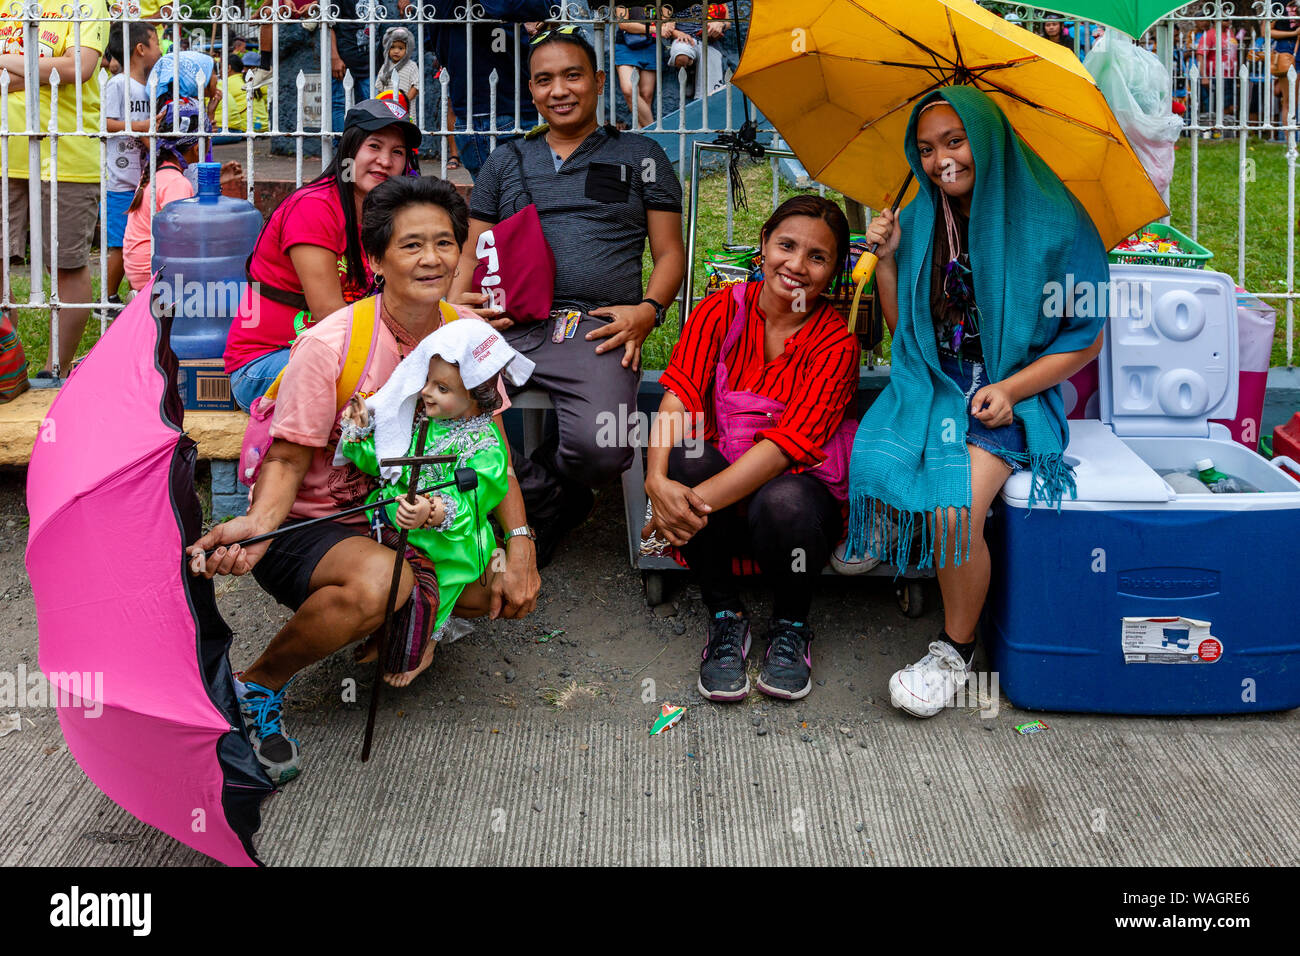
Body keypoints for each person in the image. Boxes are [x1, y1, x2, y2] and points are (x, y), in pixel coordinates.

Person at [189, 175, 541, 784]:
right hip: (313, 524)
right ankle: (255, 685)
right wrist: (260, 524)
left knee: (497, 593)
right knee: (385, 582)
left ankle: (397, 620)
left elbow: (494, 448)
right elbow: (290, 457)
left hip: (415, 521)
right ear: (375, 260)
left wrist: (522, 542)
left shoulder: (468, 338)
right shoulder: (330, 345)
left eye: (443, 243)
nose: (431, 259)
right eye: (410, 246)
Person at [847, 88, 1107, 718]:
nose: (940, 161)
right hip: (937, 379)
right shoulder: (921, 217)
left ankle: (954, 651)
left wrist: (1012, 390)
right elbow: (906, 333)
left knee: (953, 508)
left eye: (955, 142)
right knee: (876, 457)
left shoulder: (1055, 220)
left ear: (987, 141)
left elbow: (1085, 336)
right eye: (927, 148)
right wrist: (887, 262)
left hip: (1018, 393)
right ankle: (893, 523)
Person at [450, 28, 686, 567]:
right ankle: (544, 497)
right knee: (434, 409)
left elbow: (670, 253)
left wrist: (649, 312)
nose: (559, 90)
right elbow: (469, 253)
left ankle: (556, 488)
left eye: (572, 75)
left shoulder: (640, 154)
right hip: (508, 326)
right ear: (531, 90)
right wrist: (459, 310)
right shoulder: (507, 161)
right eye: (544, 79)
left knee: (603, 450)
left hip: (594, 328)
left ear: (599, 82)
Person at [647, 196, 859, 702]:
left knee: (784, 498)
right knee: (686, 459)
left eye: (818, 257)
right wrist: (657, 483)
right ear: (763, 245)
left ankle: (791, 625)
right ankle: (725, 614)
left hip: (793, 516)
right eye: (787, 246)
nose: (797, 266)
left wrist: (684, 505)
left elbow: (785, 448)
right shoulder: (720, 309)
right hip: (717, 519)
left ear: (832, 272)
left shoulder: (836, 346)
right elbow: (677, 395)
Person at [338, 319, 535, 683]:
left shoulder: (485, 447)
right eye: (428, 381)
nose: (426, 392)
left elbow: (481, 496)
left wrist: (434, 511)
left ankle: (426, 640)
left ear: (476, 397)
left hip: (448, 541)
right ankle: (387, 631)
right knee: (387, 579)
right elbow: (383, 463)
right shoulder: (414, 420)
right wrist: (361, 429)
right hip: (395, 525)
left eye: (441, 388)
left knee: (435, 589)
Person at [223, 99, 422, 412]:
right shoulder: (314, 207)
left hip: (336, 353)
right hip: (265, 363)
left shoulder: (386, 215)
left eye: (397, 152)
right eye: (374, 146)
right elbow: (330, 314)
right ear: (348, 151)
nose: (385, 161)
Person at [0, 0, 109, 378]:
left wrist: (9, 63)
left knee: (66, 263)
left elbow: (77, 68)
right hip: (5, 148)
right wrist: (42, 71)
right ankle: (8, 362)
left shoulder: (88, 5)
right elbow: (57, 70)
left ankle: (54, 369)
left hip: (68, 153)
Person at [103, 21, 165, 304]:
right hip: (121, 181)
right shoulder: (118, 84)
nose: (161, 49)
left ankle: (137, 293)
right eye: (157, 42)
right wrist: (141, 127)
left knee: (141, 240)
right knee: (118, 242)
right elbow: (104, 123)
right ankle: (108, 299)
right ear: (141, 48)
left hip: (145, 180)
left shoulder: (152, 87)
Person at [121, 100, 201, 293]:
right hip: (154, 275)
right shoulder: (177, 183)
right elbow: (180, 238)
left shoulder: (157, 174)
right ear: (197, 148)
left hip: (138, 270)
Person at [663, 2, 729, 101]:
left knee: (711, 92)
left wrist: (720, 24)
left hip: (709, 42)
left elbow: (728, 22)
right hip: (684, 38)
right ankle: (688, 72)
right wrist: (678, 33)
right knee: (681, 56)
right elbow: (664, 25)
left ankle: (699, 83)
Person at [615, 5, 663, 128]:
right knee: (629, 89)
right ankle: (654, 133)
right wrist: (653, 29)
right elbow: (623, 24)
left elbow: (665, 20)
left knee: (646, 95)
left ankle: (644, 142)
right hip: (626, 45)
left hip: (650, 46)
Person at [329, 0, 372, 134]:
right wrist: (334, 57)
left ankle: (365, 148)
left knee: (371, 106)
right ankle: (343, 148)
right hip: (344, 60)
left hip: (371, 62)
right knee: (339, 105)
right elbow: (328, 24)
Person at [376, 26, 421, 115]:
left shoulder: (412, 66)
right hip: (388, 106)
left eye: (400, 48)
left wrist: (404, 101)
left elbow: (416, 87)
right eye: (392, 47)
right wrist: (381, 104)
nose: (396, 51)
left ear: (407, 50)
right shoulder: (385, 66)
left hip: (406, 107)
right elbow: (380, 88)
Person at [1274, 2, 1299, 129]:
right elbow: (1266, 31)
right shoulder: (1276, 3)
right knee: (1290, 100)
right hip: (1287, 50)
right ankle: (1291, 142)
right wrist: (1293, 34)